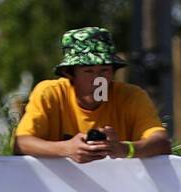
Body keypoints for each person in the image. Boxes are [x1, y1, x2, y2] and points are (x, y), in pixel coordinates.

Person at [14, 27, 170, 163]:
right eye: (89, 71)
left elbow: (161, 142)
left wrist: (125, 149)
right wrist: (66, 149)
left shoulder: (132, 96)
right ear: (70, 74)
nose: (98, 79)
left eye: (105, 70)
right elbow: (21, 143)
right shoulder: (50, 94)